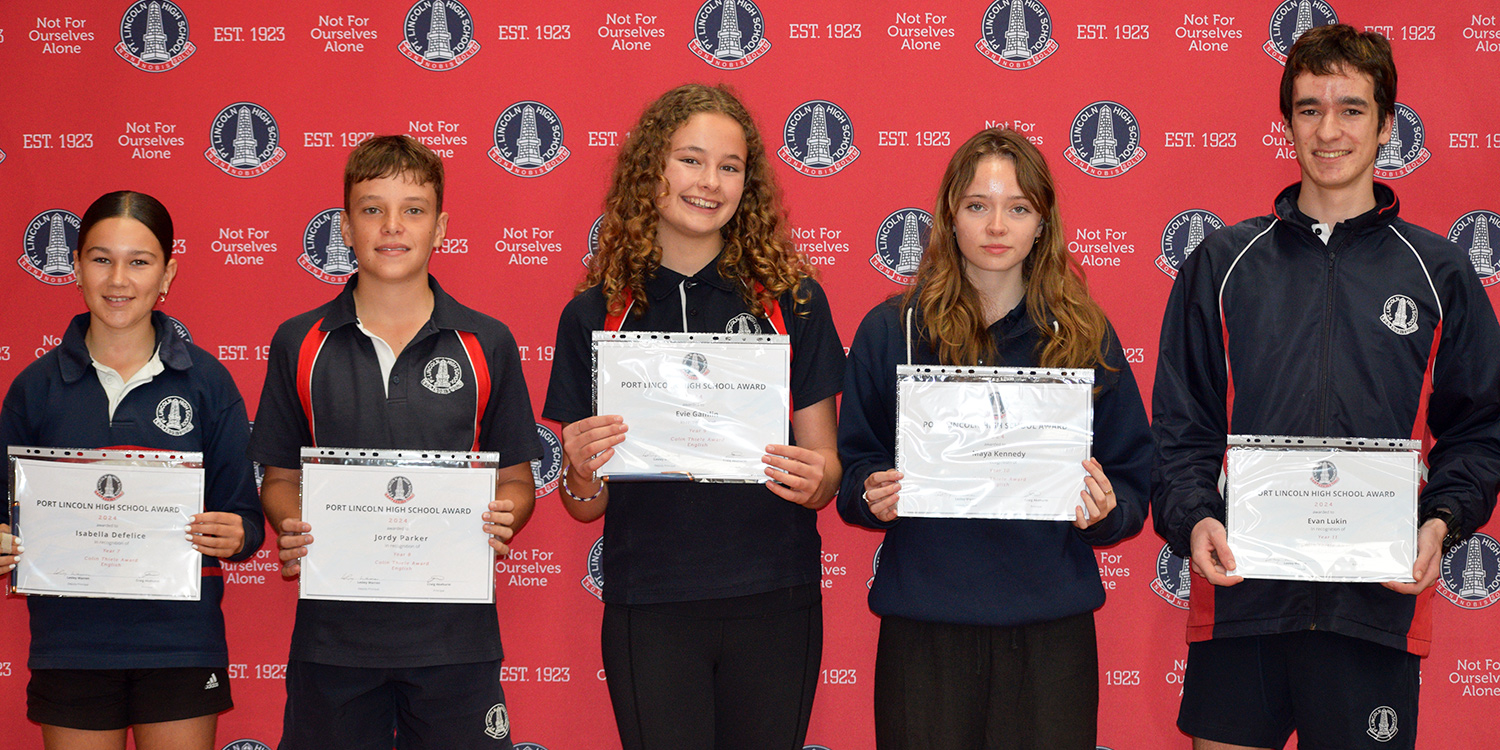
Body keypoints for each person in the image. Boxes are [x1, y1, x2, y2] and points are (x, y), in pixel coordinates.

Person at [1152, 24, 1500, 750]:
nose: (1329, 129)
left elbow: (1477, 432)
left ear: (1387, 127)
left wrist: (1440, 525)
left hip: (1374, 603)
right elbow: (1180, 430)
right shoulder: (1221, 264)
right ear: (1287, 123)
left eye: (1351, 109)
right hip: (1242, 597)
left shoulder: (1439, 274)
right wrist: (1194, 520)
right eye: (1309, 109)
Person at [542, 83, 845, 750]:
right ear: (652, 170)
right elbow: (583, 505)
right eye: (691, 160)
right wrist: (582, 470)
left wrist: (814, 476)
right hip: (650, 600)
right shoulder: (595, 313)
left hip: (773, 593)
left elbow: (827, 471)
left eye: (730, 167)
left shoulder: (794, 303)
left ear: (749, 184)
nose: (710, 182)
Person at [837, 129, 1152, 749]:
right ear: (949, 217)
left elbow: (1135, 479)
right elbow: (854, 468)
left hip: (1049, 636)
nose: (997, 225)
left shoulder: (1084, 335)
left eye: (1018, 207)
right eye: (978, 205)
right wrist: (869, 492)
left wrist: (1106, 512)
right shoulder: (891, 331)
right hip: (924, 632)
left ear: (1043, 223)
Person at [247, 135, 540, 750]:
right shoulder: (298, 342)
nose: (391, 226)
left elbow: (516, 477)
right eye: (371, 208)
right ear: (346, 226)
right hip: (334, 638)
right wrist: (292, 520)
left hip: (455, 637)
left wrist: (505, 514)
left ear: (441, 227)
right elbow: (277, 478)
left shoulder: (487, 342)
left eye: (413, 209)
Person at [0, 190, 265, 750]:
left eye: (139, 262)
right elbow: (7, 515)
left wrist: (237, 533)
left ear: (167, 273)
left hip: (180, 643)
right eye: (101, 259)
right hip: (70, 644)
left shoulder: (208, 383)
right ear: (75, 267)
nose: (118, 278)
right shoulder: (34, 389)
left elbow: (246, 517)